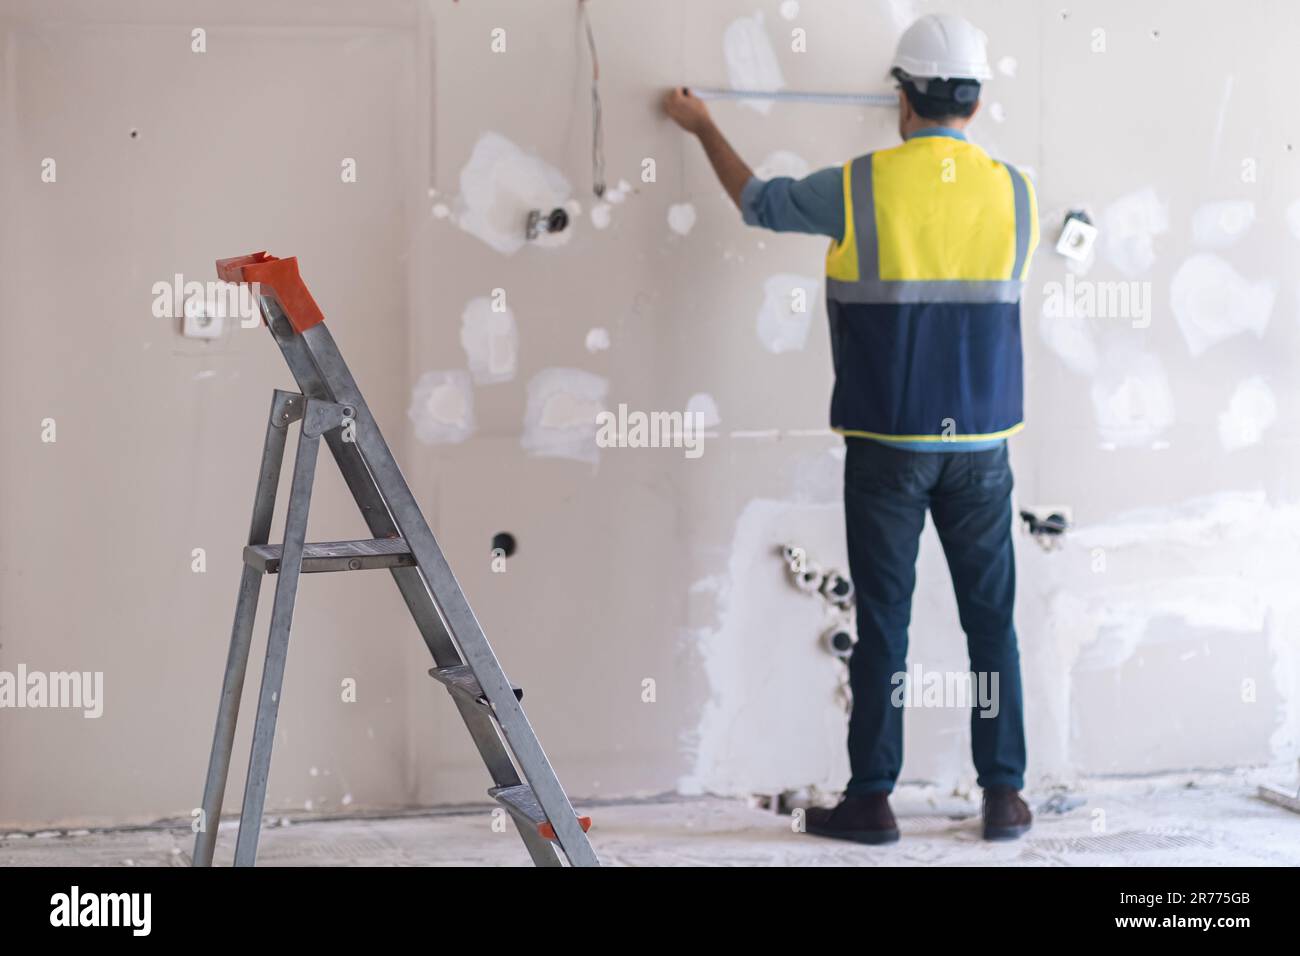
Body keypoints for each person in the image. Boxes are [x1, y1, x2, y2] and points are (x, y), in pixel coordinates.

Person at [663, 12, 1039, 844]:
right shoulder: (1017, 191)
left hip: (886, 445)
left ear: (903, 99)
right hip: (981, 448)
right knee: (992, 625)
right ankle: (1003, 797)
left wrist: (702, 125)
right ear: (974, 104)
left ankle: (872, 800)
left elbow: (758, 203)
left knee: (885, 626)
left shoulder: (860, 185)